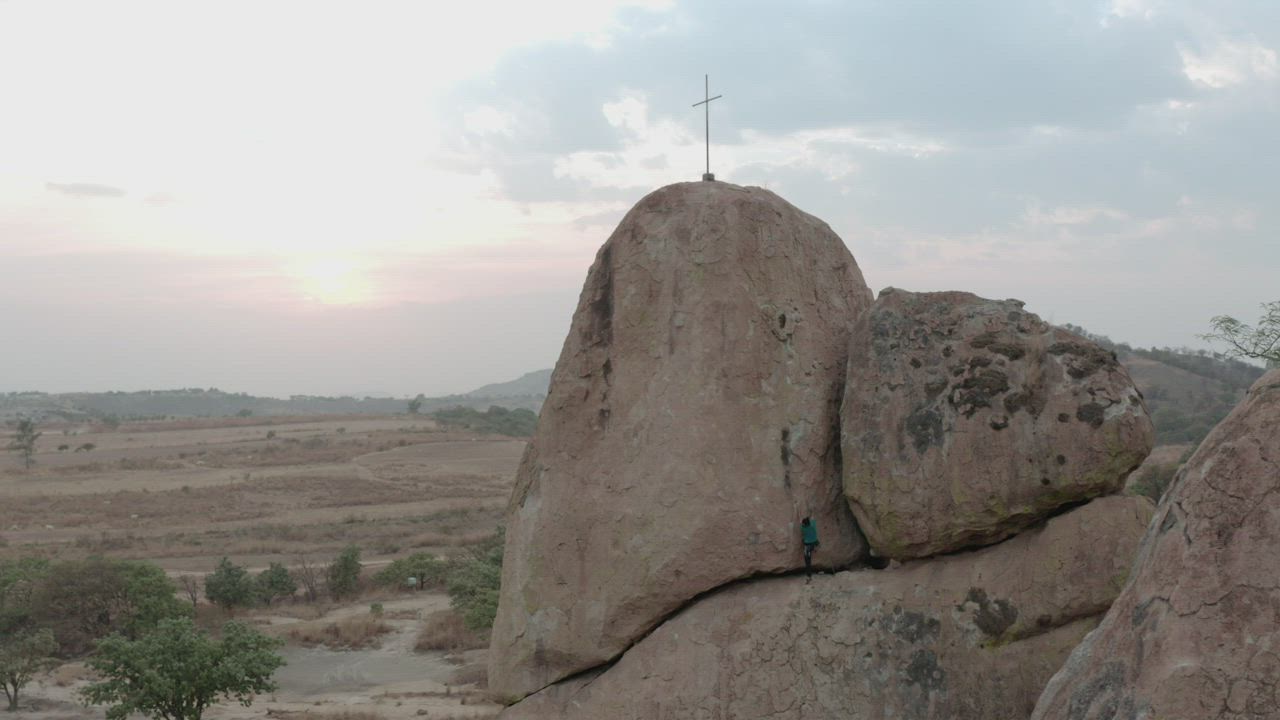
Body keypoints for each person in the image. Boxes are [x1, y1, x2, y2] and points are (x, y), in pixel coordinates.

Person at [801, 516, 819, 581]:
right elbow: (813, 518)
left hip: (807, 547)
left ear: (805, 524)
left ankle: (809, 576)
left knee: (807, 561)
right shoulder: (813, 525)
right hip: (813, 544)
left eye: (803, 523)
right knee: (809, 559)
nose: (802, 524)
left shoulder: (804, 529)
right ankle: (809, 575)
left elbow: (801, 523)